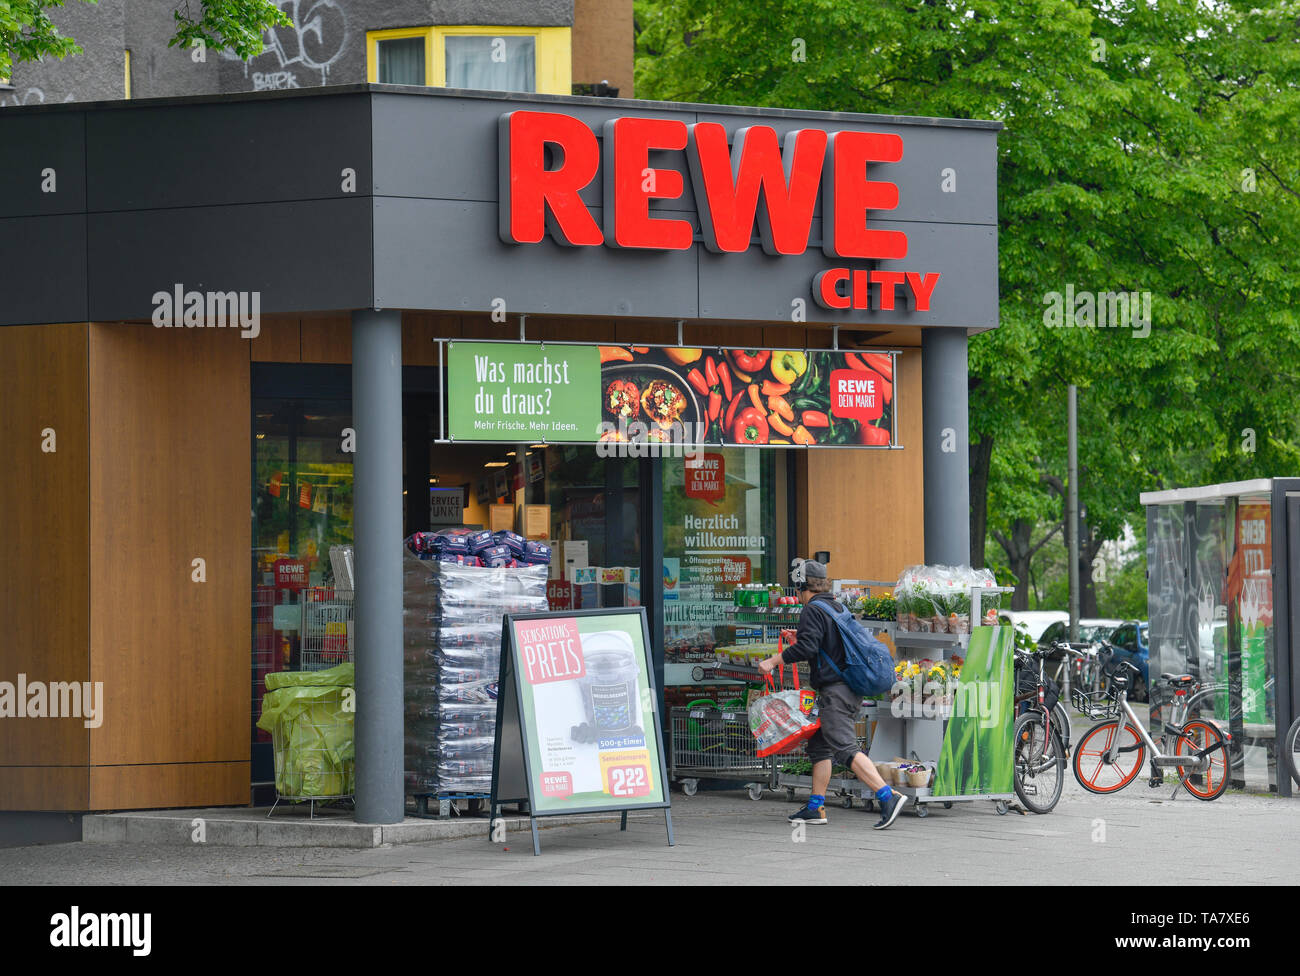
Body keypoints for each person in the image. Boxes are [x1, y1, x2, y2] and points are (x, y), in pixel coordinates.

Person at [759, 559, 907, 829]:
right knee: (820, 747)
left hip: (836, 691)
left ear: (801, 586)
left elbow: (807, 649)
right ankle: (816, 807)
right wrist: (800, 637)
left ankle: (888, 797)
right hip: (847, 687)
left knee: (844, 747)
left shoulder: (812, 610)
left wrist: (773, 660)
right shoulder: (834, 605)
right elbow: (822, 643)